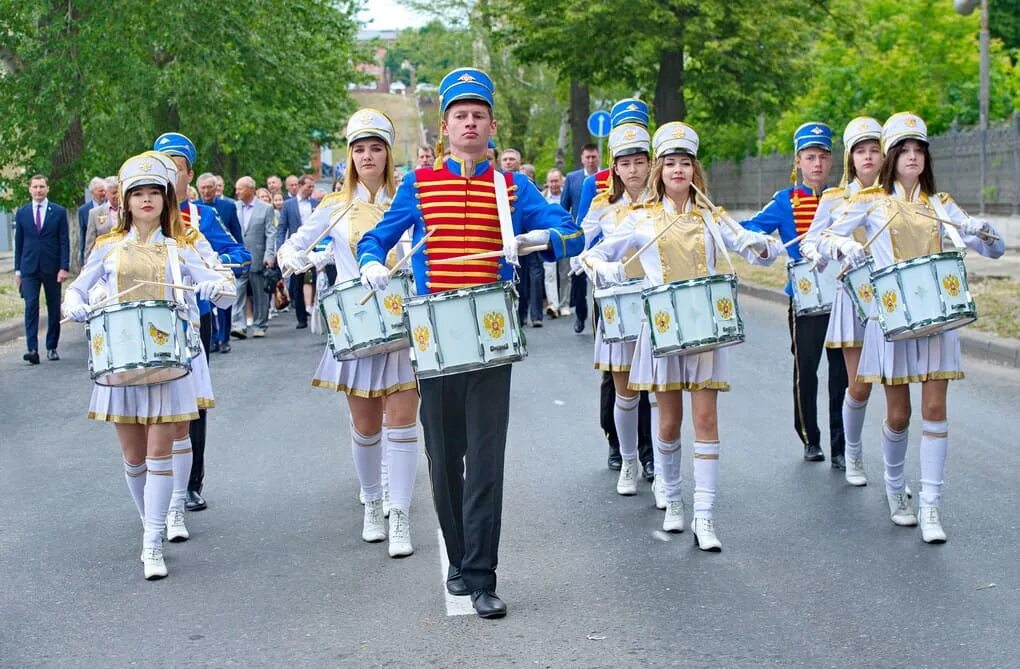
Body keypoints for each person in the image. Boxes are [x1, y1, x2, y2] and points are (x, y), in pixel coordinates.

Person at [357, 67, 583, 618]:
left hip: (491, 332)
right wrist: (369, 262)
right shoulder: (419, 183)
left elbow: (572, 230)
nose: (470, 123)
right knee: (443, 454)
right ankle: (458, 556)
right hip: (434, 336)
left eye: (478, 115)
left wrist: (541, 238)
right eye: (460, 115)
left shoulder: (512, 185)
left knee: (485, 457)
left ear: (491, 125)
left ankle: (482, 574)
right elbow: (378, 235)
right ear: (446, 126)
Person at [583, 122, 781, 549]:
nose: (678, 170)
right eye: (670, 163)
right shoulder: (641, 219)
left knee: (706, 419)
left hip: (706, 327)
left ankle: (705, 516)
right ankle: (673, 499)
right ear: (660, 169)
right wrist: (606, 268)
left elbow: (752, 249)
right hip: (662, 329)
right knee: (668, 422)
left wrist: (762, 247)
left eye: (685, 163)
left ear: (694, 169)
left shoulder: (711, 216)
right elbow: (594, 254)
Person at [819, 112, 1005, 543]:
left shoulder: (940, 204)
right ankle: (895, 488)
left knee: (936, 411)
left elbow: (993, 250)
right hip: (893, 320)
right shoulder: (870, 202)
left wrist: (986, 231)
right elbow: (819, 241)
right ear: (891, 157)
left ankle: (931, 505)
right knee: (899, 415)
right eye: (904, 149)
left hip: (940, 318)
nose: (914, 156)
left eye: (919, 149)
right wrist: (843, 243)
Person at [62, 154, 234, 579]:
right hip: (121, 359)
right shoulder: (107, 247)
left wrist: (214, 284)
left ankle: (152, 540)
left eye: (153, 192)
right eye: (137, 193)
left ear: (165, 198)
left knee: (161, 451)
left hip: (170, 360)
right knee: (134, 457)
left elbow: (225, 287)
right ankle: (150, 523)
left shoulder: (183, 245)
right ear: (124, 200)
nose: (145, 200)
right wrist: (77, 305)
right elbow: (77, 290)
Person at [278, 109, 421, 558]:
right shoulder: (335, 206)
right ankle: (372, 504)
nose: (367, 156)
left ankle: (399, 514)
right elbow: (297, 241)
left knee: (402, 421)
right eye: (359, 149)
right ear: (350, 156)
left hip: (404, 320)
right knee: (365, 425)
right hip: (356, 324)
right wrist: (291, 257)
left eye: (375, 148)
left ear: (387, 154)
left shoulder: (409, 198)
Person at [152, 132, 251, 513]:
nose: (167, 178)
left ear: (188, 175)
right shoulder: (139, 212)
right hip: (152, 321)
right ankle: (157, 482)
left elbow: (239, 254)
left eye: (175, 170)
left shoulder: (202, 217)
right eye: (161, 169)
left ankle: (192, 482)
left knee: (193, 403)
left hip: (195, 322)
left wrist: (213, 274)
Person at [740, 122, 849, 468]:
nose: (817, 164)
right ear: (798, 161)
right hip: (804, 297)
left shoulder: (844, 199)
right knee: (806, 369)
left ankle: (841, 443)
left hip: (843, 296)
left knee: (842, 372)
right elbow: (751, 229)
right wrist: (764, 242)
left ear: (832, 162)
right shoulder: (785, 201)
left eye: (823, 157)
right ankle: (810, 437)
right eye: (810, 157)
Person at [574, 123, 659, 497]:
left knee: (658, 387)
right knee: (622, 385)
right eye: (626, 163)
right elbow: (581, 244)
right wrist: (590, 264)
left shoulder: (662, 204)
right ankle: (626, 456)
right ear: (616, 168)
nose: (634, 170)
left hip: (656, 299)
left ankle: (653, 454)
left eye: (641, 162)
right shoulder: (601, 206)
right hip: (617, 300)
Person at [801, 117, 883, 486]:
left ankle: (894, 471)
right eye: (860, 151)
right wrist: (824, 251)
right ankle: (851, 452)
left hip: (891, 299)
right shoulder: (835, 199)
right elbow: (812, 240)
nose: (868, 157)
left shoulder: (893, 196)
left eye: (874, 150)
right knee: (859, 384)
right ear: (851, 158)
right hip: (852, 297)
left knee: (896, 384)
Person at [14, 174, 69, 364]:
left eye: (41, 187)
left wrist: (64, 267)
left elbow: (64, 241)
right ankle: (32, 349)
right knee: (31, 307)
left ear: (47, 189)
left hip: (52, 267)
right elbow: (19, 243)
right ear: (30, 189)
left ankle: (52, 347)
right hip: (29, 267)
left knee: (53, 308)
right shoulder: (22, 213)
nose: (38, 190)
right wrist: (17, 271)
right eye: (35, 187)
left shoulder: (59, 212)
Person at [197, 172, 245, 353]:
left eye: (210, 187)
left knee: (224, 301)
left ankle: (225, 338)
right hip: (201, 263)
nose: (207, 191)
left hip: (223, 262)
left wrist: (238, 259)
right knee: (205, 301)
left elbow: (236, 235)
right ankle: (212, 337)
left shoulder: (228, 206)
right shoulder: (194, 210)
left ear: (216, 188)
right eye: (203, 188)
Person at [231, 176, 277, 338]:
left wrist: (269, 255)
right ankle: (238, 325)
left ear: (251, 189)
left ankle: (259, 325)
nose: (237, 192)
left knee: (260, 294)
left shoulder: (265, 208)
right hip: (239, 258)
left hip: (258, 256)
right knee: (237, 291)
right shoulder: (234, 207)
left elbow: (271, 233)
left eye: (240, 189)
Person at [561, 143, 600, 333]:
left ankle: (600, 317)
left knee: (600, 278)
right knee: (578, 277)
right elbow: (563, 208)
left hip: (601, 237)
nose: (591, 160)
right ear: (582, 158)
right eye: (588, 157)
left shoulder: (607, 178)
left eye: (594, 157)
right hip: (578, 235)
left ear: (598, 157)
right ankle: (580, 315)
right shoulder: (572, 179)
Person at [276, 175, 320, 329]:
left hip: (316, 248)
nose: (311, 189)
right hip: (297, 249)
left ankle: (316, 313)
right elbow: (282, 227)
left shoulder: (316, 203)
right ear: (301, 186)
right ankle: (301, 317)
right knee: (298, 283)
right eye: (309, 186)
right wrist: (280, 248)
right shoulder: (289, 205)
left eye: (313, 187)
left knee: (317, 281)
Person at [542, 168, 571, 318]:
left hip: (564, 239)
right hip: (548, 240)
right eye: (551, 181)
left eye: (556, 180)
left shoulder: (566, 197)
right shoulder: (542, 198)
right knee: (550, 273)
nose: (554, 184)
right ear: (547, 183)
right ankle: (553, 304)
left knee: (565, 273)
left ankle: (564, 304)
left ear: (561, 181)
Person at [84, 177, 121, 261]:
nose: (118, 195)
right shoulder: (95, 213)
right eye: (114, 192)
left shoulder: (130, 210)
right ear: (107, 194)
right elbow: (90, 243)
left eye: (120, 192)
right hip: (103, 261)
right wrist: (87, 265)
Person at [77, 176, 107, 265]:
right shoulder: (83, 210)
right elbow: (83, 234)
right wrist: (83, 261)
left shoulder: (112, 207)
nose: (104, 193)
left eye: (105, 190)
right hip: (93, 254)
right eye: (100, 191)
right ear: (92, 192)